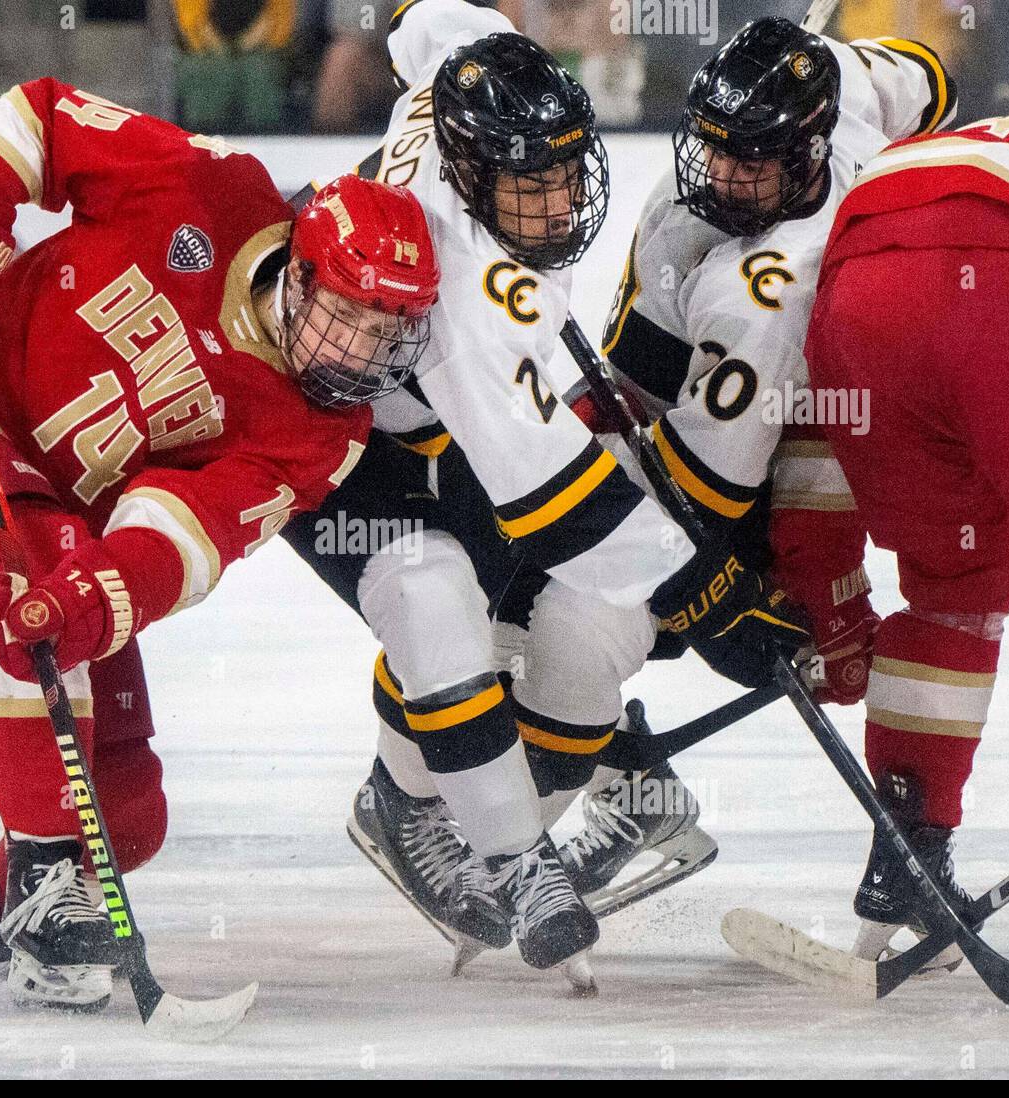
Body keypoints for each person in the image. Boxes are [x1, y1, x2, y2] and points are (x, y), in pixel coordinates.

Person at [0, 77, 439, 1011]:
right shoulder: (215, 190)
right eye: (343, 316)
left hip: (50, 511)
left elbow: (181, 536)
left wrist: (94, 597)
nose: (356, 353)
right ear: (299, 272)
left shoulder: (324, 435)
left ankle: (3, 906)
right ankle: (39, 878)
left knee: (126, 815)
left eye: (382, 332)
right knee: (24, 596)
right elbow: (41, 119)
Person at [284, 0, 804, 976]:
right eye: (534, 187)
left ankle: (621, 771)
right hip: (351, 430)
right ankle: (409, 798)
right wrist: (701, 589)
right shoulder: (472, 292)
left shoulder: (469, 75)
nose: (563, 205)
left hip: (421, 409)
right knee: (464, 607)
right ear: (473, 173)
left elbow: (422, 19)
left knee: (530, 607)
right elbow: (550, 493)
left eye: (569, 172)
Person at [532, 17, 958, 891]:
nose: (718, 176)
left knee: (583, 590)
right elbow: (928, 79)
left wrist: (708, 593)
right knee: (543, 527)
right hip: (748, 401)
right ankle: (631, 791)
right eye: (711, 147)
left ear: (804, 156)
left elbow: (694, 502)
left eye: (748, 162)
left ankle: (553, 803)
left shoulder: (767, 298)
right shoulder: (836, 83)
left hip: (824, 428)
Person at [802, 113, 1009, 958]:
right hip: (994, 291)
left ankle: (908, 850)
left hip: (856, 299)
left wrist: (826, 589)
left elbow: (811, 439)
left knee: (956, 583)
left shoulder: (960, 131)